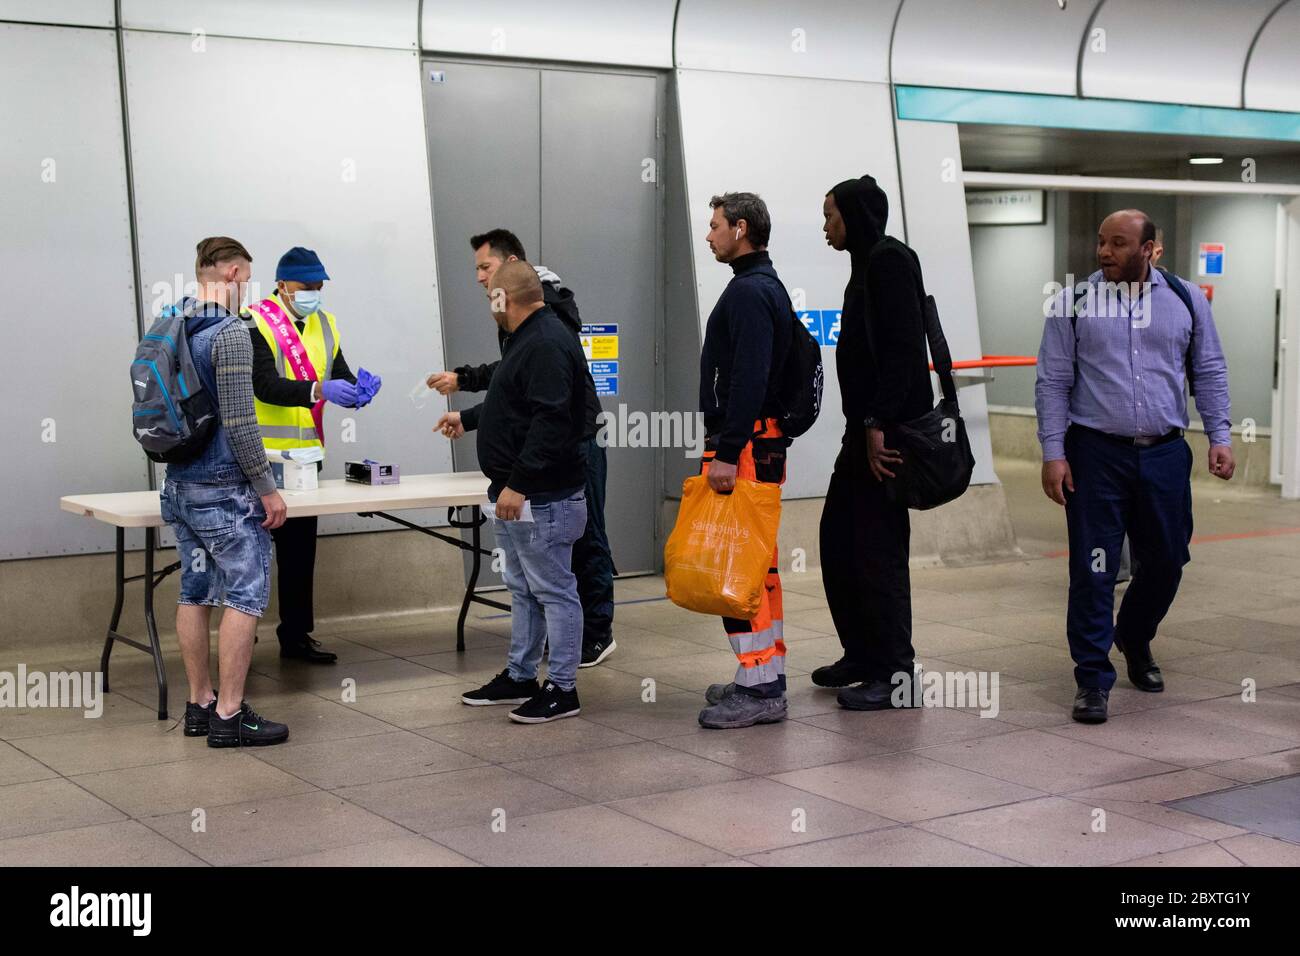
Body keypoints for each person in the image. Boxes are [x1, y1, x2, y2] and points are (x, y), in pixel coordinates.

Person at [1036, 208, 1234, 724]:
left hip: (1166, 451)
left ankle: (1135, 635)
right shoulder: (1073, 302)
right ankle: (1092, 678)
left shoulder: (1187, 299)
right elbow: (1053, 383)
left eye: (1119, 243)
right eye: (1102, 241)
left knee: (1168, 560)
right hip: (1095, 452)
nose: (1105, 252)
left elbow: (1208, 369)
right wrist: (1053, 453)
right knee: (1094, 567)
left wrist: (1220, 435)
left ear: (1151, 249)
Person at [427, 229, 615, 667]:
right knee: (530, 577)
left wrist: (520, 481)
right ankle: (529, 663)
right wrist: (469, 408)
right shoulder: (519, 318)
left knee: (584, 540)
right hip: (535, 459)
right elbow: (516, 385)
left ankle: (596, 634)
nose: (478, 279)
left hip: (569, 449)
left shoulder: (544, 315)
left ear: (512, 267)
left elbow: (547, 400)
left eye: (485, 267)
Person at [441, 262, 590, 723]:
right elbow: (513, 403)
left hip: (541, 496)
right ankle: (521, 675)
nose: (489, 304)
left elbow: (552, 419)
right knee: (524, 589)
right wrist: (469, 420)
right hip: (518, 494)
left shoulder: (546, 341)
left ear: (504, 299)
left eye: (492, 296)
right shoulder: (524, 339)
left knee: (555, 591)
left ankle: (563, 688)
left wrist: (519, 484)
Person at [162, 237, 289, 747]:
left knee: (195, 592)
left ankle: (200, 704)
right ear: (234, 273)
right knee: (245, 593)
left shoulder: (170, 325)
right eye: (248, 279)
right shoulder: (230, 334)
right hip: (223, 492)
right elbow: (240, 423)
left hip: (178, 486)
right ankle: (231, 716)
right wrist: (267, 489)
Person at [814, 174, 929, 711]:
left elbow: (906, 350)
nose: (825, 226)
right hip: (861, 430)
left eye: (831, 215)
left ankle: (896, 673)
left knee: (879, 553)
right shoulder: (865, 265)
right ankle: (862, 653)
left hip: (885, 434)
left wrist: (879, 422)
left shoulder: (889, 261)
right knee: (840, 543)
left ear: (855, 216)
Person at [245, 247, 381, 665]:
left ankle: (296, 635)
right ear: (283, 284)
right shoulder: (254, 322)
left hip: (305, 457)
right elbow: (263, 385)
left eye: (320, 286)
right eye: (307, 287)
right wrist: (318, 390)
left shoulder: (325, 322)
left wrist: (357, 388)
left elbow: (334, 373)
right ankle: (241, 639)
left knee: (299, 551)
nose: (314, 293)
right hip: (260, 456)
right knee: (247, 552)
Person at [695, 192, 793, 730]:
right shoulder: (760, 286)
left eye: (714, 227)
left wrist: (727, 452)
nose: (708, 236)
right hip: (760, 443)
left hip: (747, 448)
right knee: (760, 566)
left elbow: (749, 380)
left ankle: (759, 690)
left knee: (738, 564)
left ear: (740, 228)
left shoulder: (751, 293)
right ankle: (764, 675)